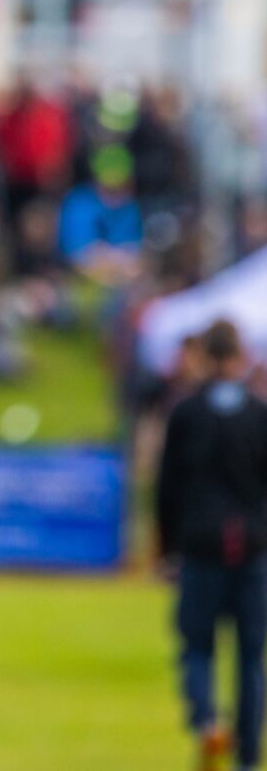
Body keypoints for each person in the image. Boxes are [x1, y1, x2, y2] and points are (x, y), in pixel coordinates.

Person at [157, 319, 267, 771]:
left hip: (200, 545)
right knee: (250, 658)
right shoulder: (259, 414)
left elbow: (168, 486)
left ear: (203, 356)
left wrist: (166, 547)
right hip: (254, 548)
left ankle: (207, 721)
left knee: (196, 647)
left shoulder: (187, 413)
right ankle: (247, 756)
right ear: (240, 357)